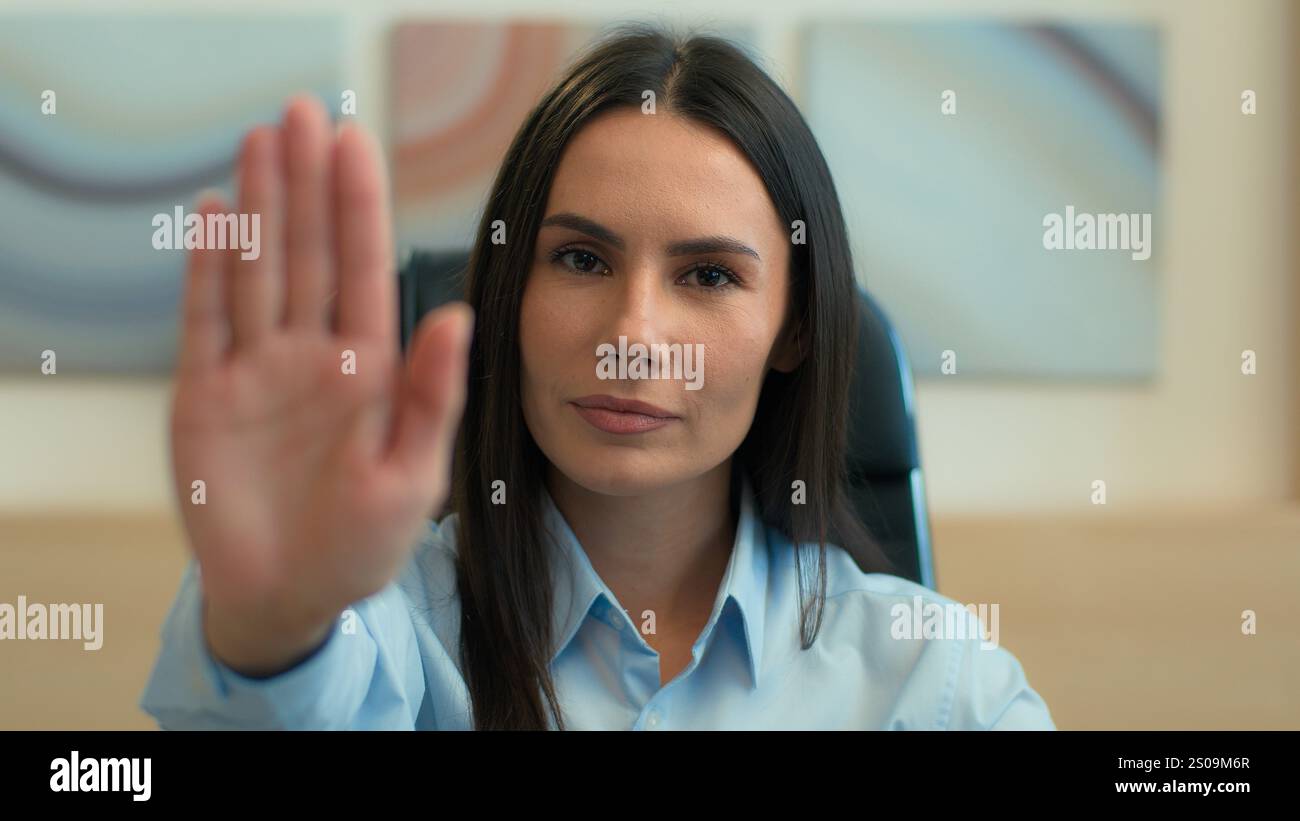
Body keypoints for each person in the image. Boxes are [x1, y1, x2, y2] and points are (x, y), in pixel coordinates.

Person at [140, 22, 1055, 730]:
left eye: (707, 276)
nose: (632, 335)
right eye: (581, 260)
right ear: (509, 292)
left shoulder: (933, 681)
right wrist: (272, 627)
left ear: (795, 328)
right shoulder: (386, 628)